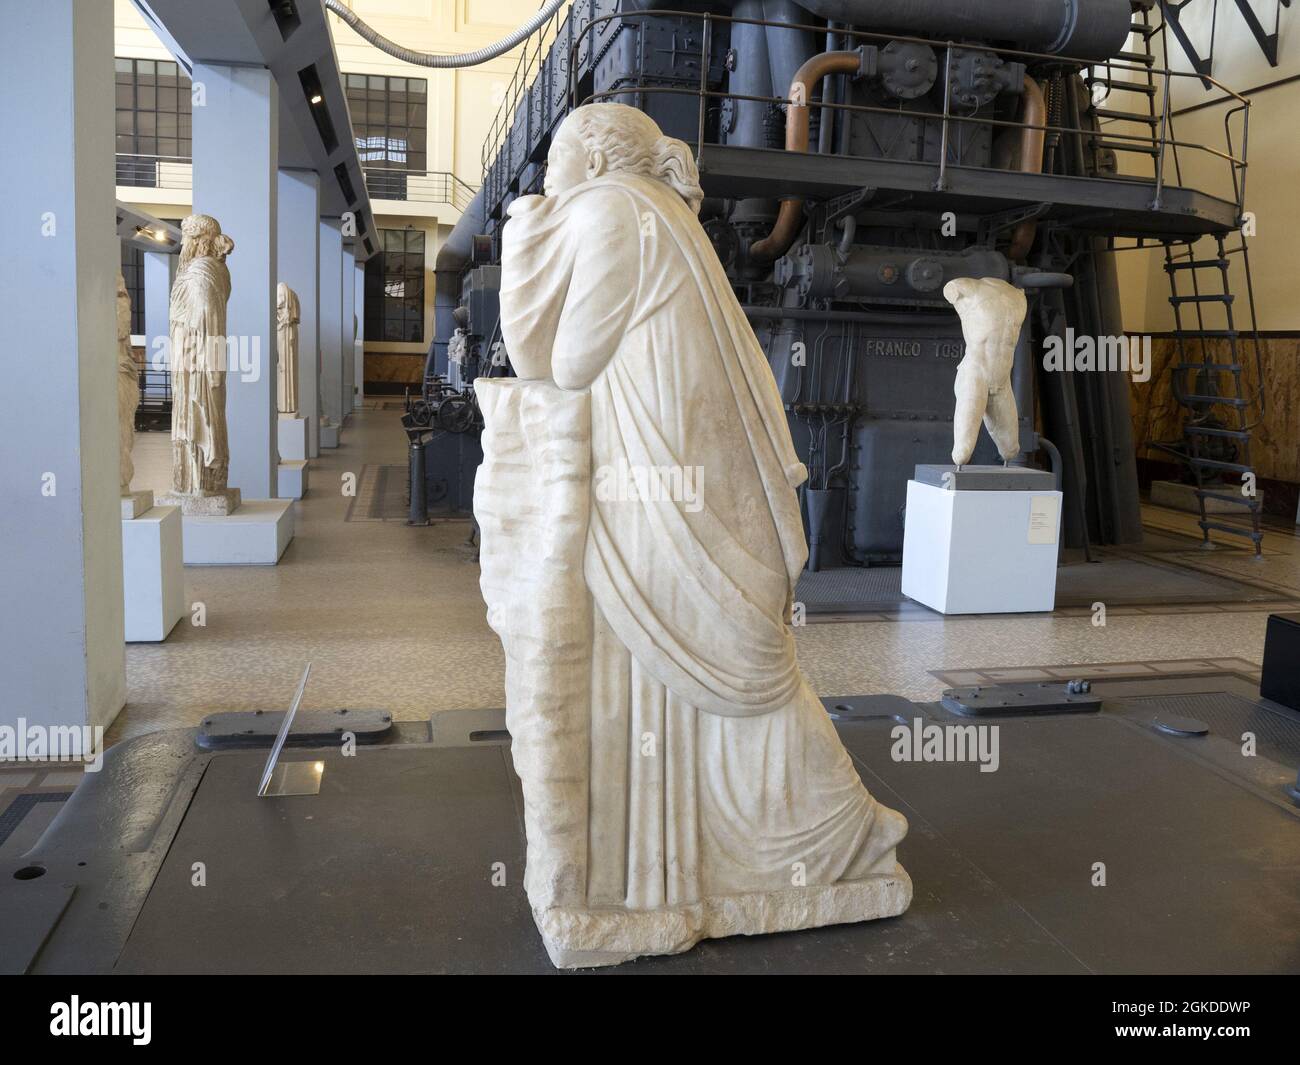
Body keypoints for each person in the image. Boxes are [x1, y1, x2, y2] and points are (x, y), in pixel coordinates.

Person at [487, 104, 909, 947]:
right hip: (682, 486)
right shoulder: (664, 215)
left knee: (708, 668)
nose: (545, 179)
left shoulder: (612, 213)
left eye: (557, 158)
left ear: (596, 159)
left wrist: (525, 240)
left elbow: (557, 361)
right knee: (703, 678)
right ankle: (764, 852)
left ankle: (829, 837)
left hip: (664, 493)